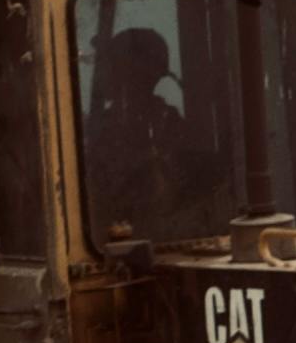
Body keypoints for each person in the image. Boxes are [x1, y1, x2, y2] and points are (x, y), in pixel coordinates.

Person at [83, 23, 214, 241]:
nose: (104, 76)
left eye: (114, 67)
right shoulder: (100, 125)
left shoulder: (169, 124)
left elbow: (178, 193)